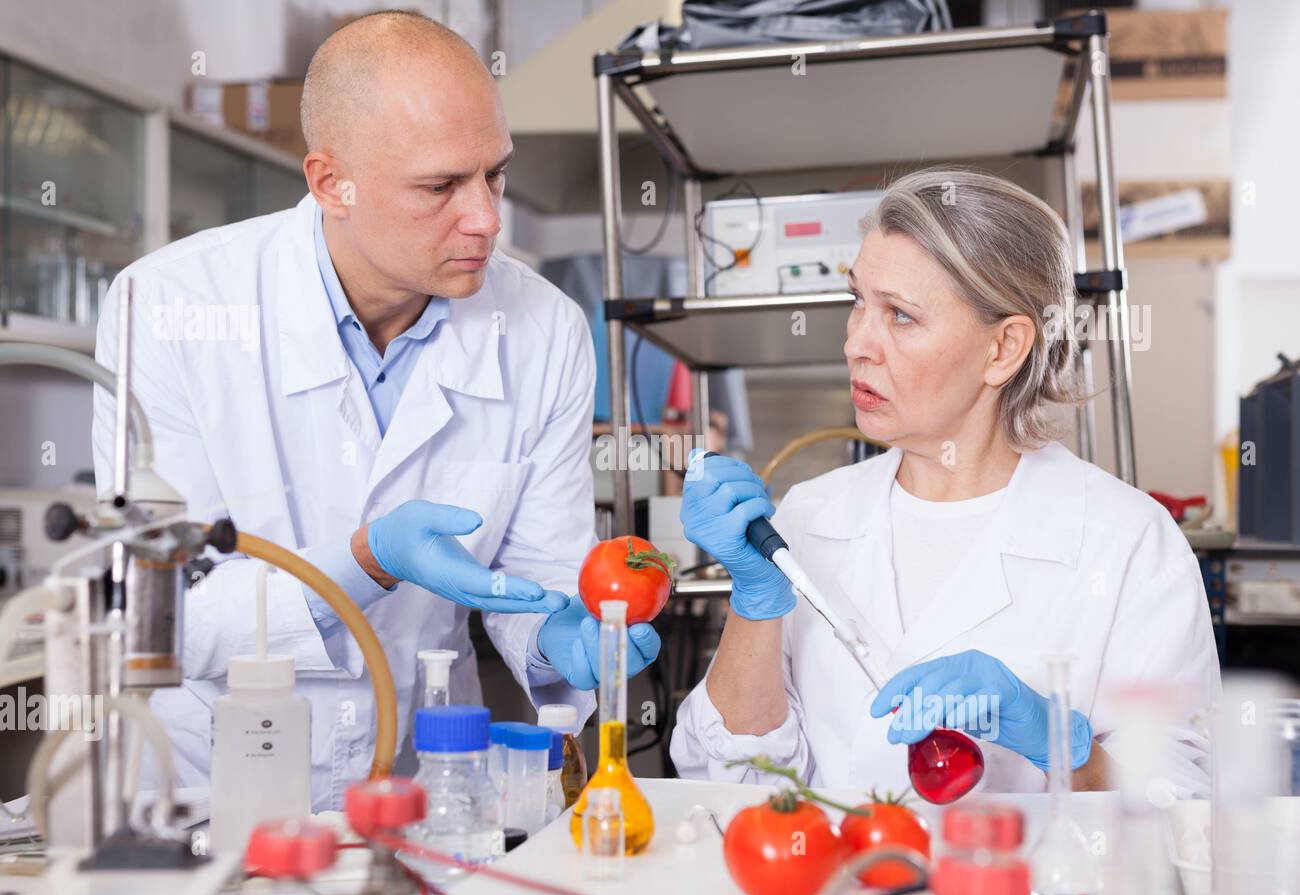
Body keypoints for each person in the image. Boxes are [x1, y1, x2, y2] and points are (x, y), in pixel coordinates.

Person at [92, 12, 660, 810]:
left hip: (419, 794)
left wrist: (565, 647)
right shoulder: (168, 308)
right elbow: (164, 618)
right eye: (441, 187)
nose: (488, 218)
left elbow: (537, 578)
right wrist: (363, 563)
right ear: (331, 183)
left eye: (494, 174)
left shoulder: (545, 328)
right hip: (197, 791)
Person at [671, 168, 1219, 796]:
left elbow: (1183, 814)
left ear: (1004, 349)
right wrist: (755, 605)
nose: (856, 344)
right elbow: (737, 782)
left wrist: (1059, 744)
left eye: (900, 316)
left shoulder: (1129, 542)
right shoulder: (806, 517)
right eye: (858, 302)